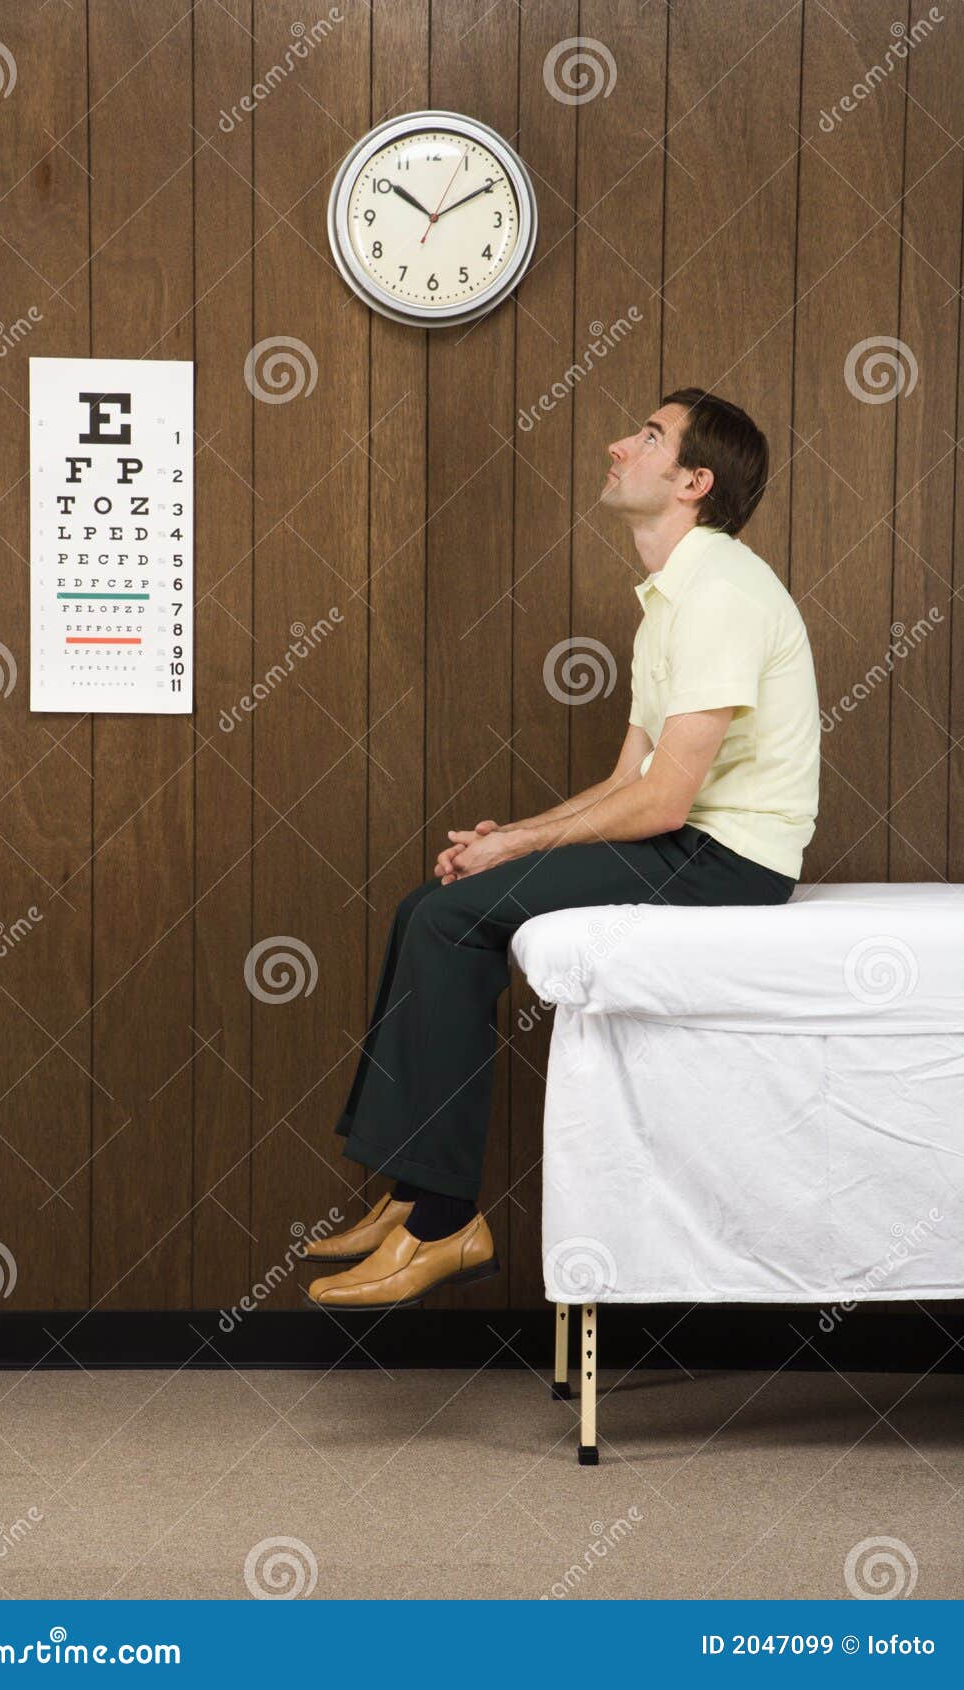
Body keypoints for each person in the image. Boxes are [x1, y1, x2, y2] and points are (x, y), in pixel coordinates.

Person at [299, 387, 821, 1312]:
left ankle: (444, 1220)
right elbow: (630, 774)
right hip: (689, 840)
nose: (620, 445)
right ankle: (417, 1191)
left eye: (649, 437)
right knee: (430, 906)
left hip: (726, 862)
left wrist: (518, 848)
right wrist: (511, 838)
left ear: (692, 482)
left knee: (451, 920)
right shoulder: (670, 596)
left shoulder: (722, 592)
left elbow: (662, 802)